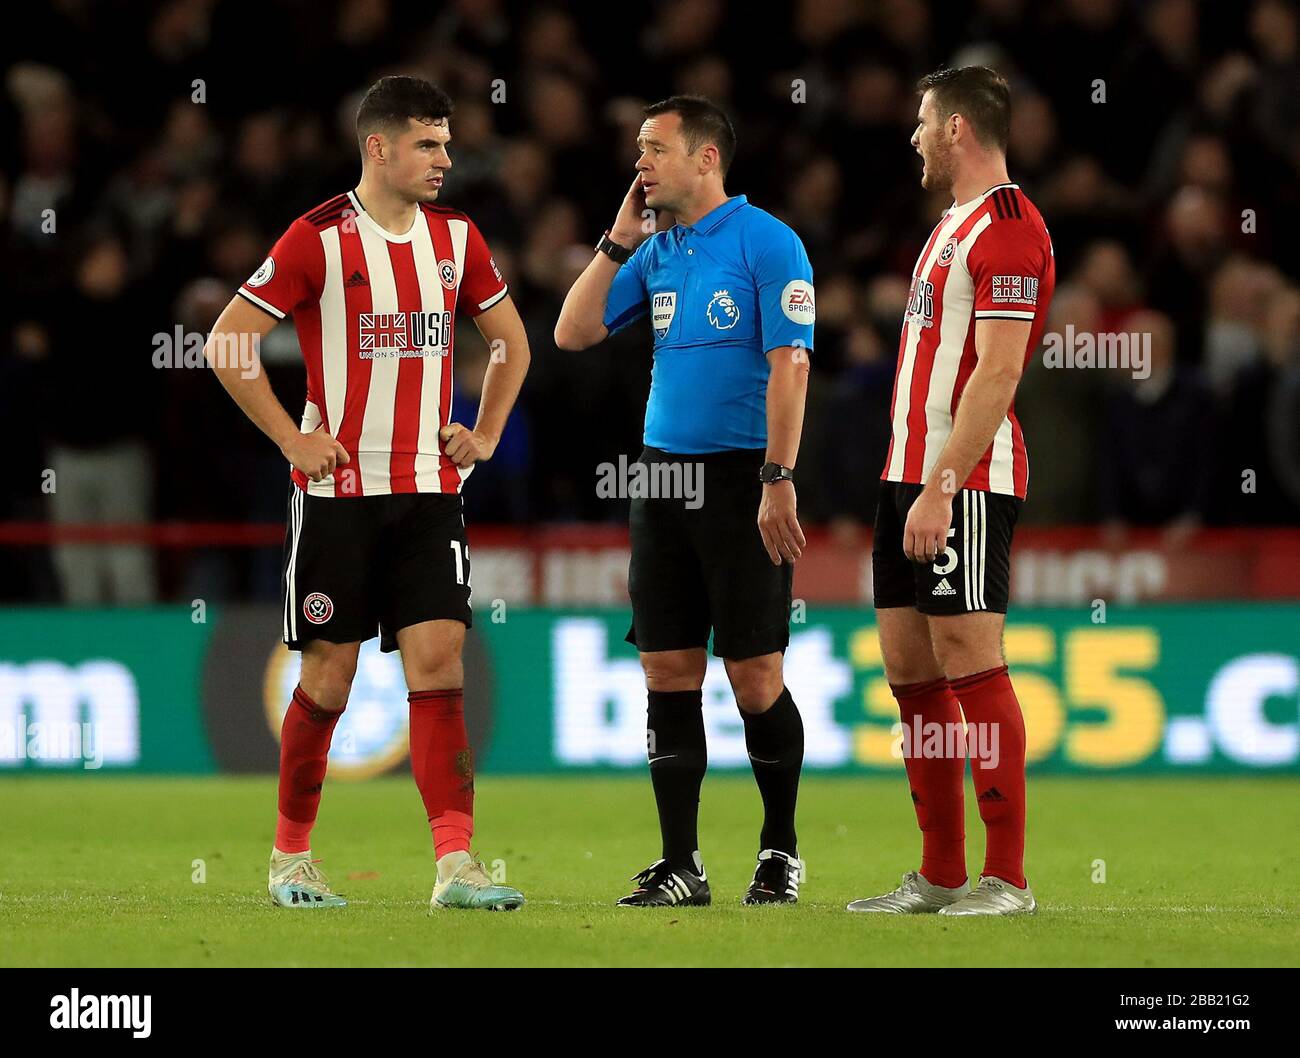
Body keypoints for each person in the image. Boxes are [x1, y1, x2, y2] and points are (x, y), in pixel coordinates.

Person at [204, 76, 530, 911]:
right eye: (429, 143)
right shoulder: (318, 238)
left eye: (447, 144)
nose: (446, 160)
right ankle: (290, 859)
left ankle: (457, 864)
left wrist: (483, 433)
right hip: (339, 496)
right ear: (378, 146)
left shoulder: (458, 238)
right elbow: (228, 341)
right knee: (330, 677)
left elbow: (511, 343)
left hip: (429, 491)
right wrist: (291, 438)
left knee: (439, 661)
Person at [555, 96, 815, 907]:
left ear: (706, 157)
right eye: (639, 149)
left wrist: (778, 476)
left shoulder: (769, 242)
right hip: (663, 479)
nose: (641, 163)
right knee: (667, 666)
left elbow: (792, 365)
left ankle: (779, 851)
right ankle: (681, 865)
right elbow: (574, 331)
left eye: (655, 149)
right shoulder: (657, 249)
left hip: (744, 478)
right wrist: (615, 241)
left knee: (754, 674)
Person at [848, 66, 1055, 917]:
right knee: (909, 669)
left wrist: (941, 485)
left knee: (971, 656)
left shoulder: (1007, 227)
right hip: (908, 480)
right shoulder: (947, 229)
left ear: (960, 130)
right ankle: (939, 874)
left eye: (924, 121)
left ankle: (1005, 879)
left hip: (961, 481)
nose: (914, 136)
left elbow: (999, 369)